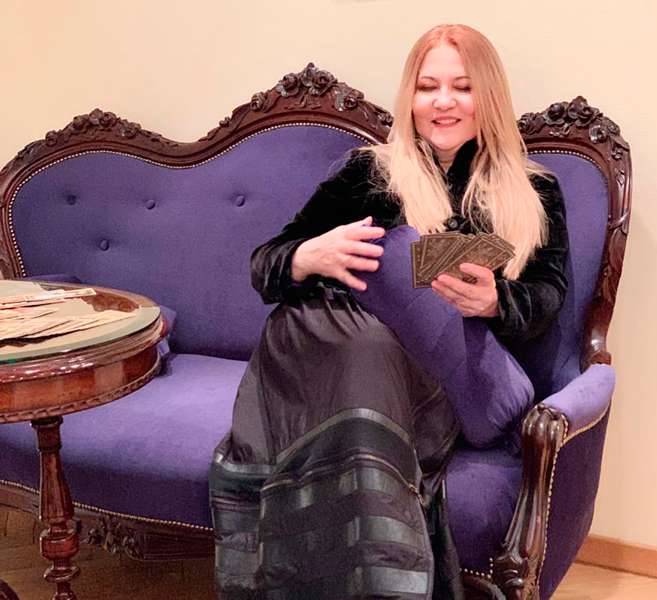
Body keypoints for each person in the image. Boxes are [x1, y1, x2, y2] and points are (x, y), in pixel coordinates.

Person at [209, 24, 568, 600]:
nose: (443, 102)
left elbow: (549, 295)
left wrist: (498, 302)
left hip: (424, 377)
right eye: (428, 87)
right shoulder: (368, 173)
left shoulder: (535, 193)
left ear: (490, 96)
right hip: (325, 347)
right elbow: (265, 264)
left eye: (462, 87)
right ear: (410, 97)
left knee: (378, 336)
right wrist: (307, 256)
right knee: (359, 331)